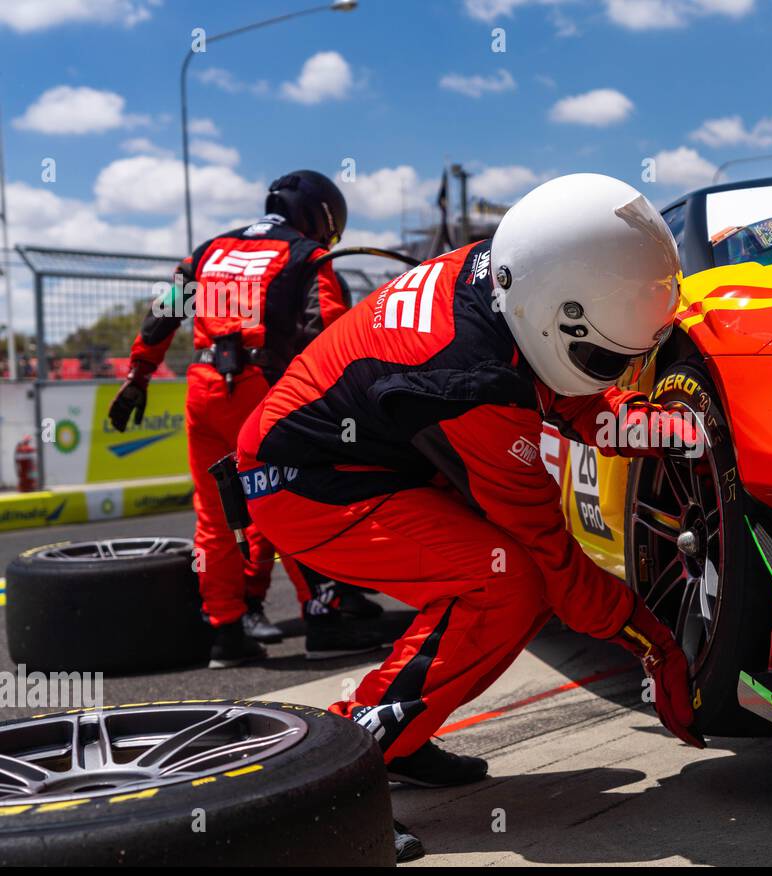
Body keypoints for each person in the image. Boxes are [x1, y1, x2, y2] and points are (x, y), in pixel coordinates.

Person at [236, 173, 702, 790]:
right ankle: (345, 769)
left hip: (362, 454)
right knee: (505, 580)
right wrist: (650, 638)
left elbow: (552, 375)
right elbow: (550, 553)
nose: (611, 374)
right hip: (304, 482)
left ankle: (401, 734)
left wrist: (642, 424)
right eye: (607, 362)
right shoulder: (477, 381)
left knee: (514, 580)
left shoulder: (508, 271)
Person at [110, 170, 384, 667]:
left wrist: (138, 375)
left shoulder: (209, 250)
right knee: (295, 499)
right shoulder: (307, 255)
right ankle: (325, 620)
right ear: (319, 215)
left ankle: (227, 634)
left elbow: (164, 311)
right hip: (262, 391)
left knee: (215, 517)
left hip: (202, 389)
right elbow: (330, 330)